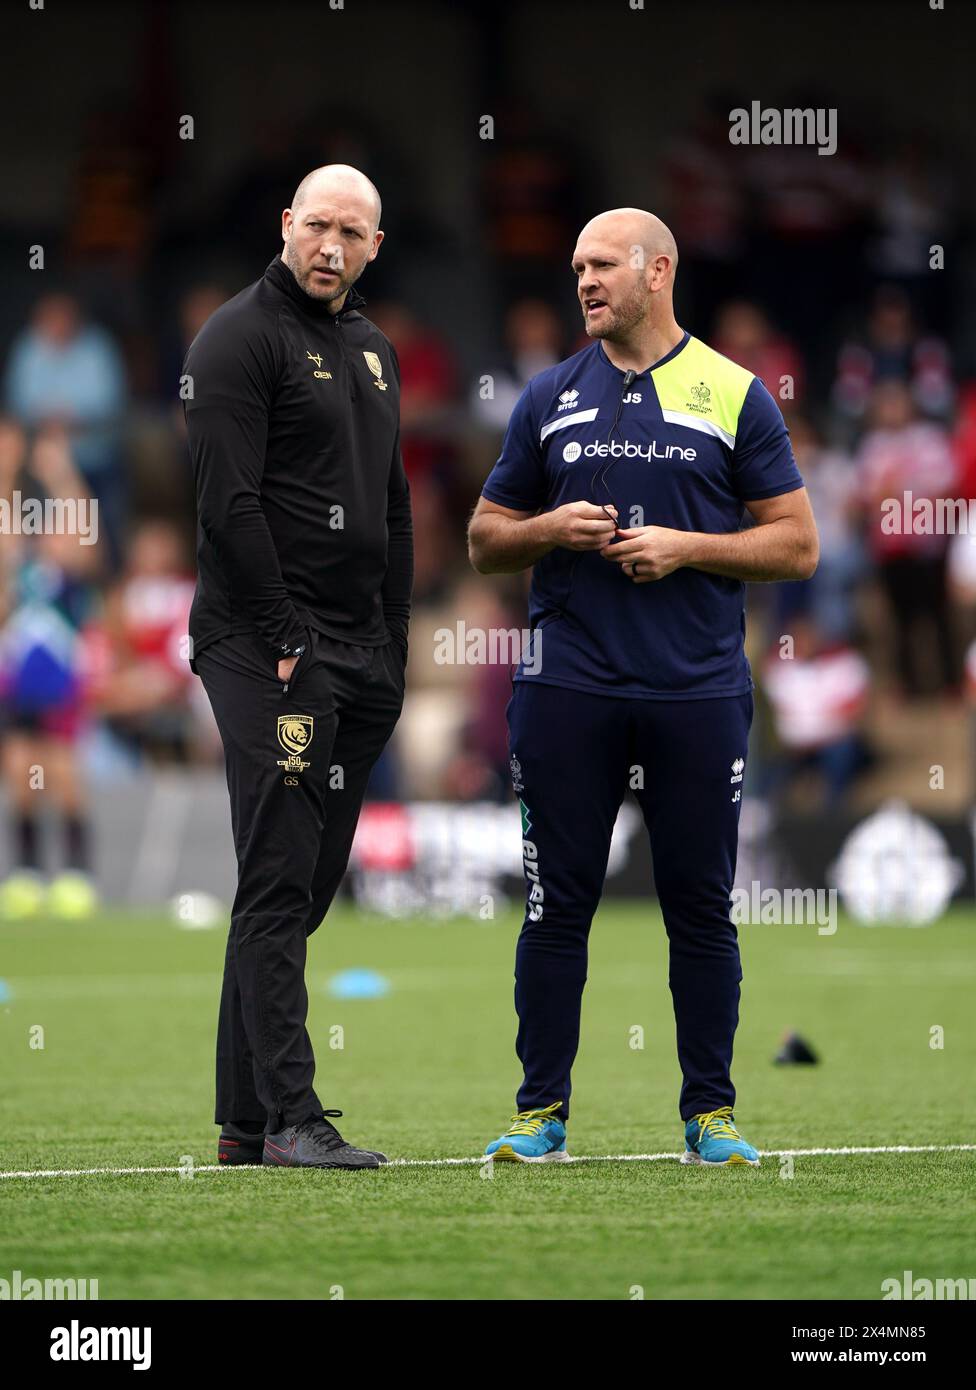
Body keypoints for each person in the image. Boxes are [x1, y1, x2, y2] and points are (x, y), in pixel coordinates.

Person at [468, 207, 818, 1166]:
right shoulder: (547, 396)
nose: (583, 281)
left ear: (658, 271)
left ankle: (711, 1115)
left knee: (699, 907)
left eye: (602, 265)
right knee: (554, 908)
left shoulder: (734, 392)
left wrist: (687, 549)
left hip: (697, 690)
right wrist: (552, 530)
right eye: (575, 265)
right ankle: (542, 1114)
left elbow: (796, 543)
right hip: (568, 685)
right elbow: (484, 537)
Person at [183, 165, 412, 1169]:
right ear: (286, 225)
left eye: (350, 232)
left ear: (374, 244)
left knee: (302, 889)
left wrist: (393, 644)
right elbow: (225, 506)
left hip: (358, 654)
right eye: (316, 225)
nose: (330, 245)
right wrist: (285, 639)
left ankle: (243, 1121)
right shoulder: (236, 338)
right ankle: (289, 1117)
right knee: (279, 878)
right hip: (264, 647)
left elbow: (393, 506)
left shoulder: (372, 350)